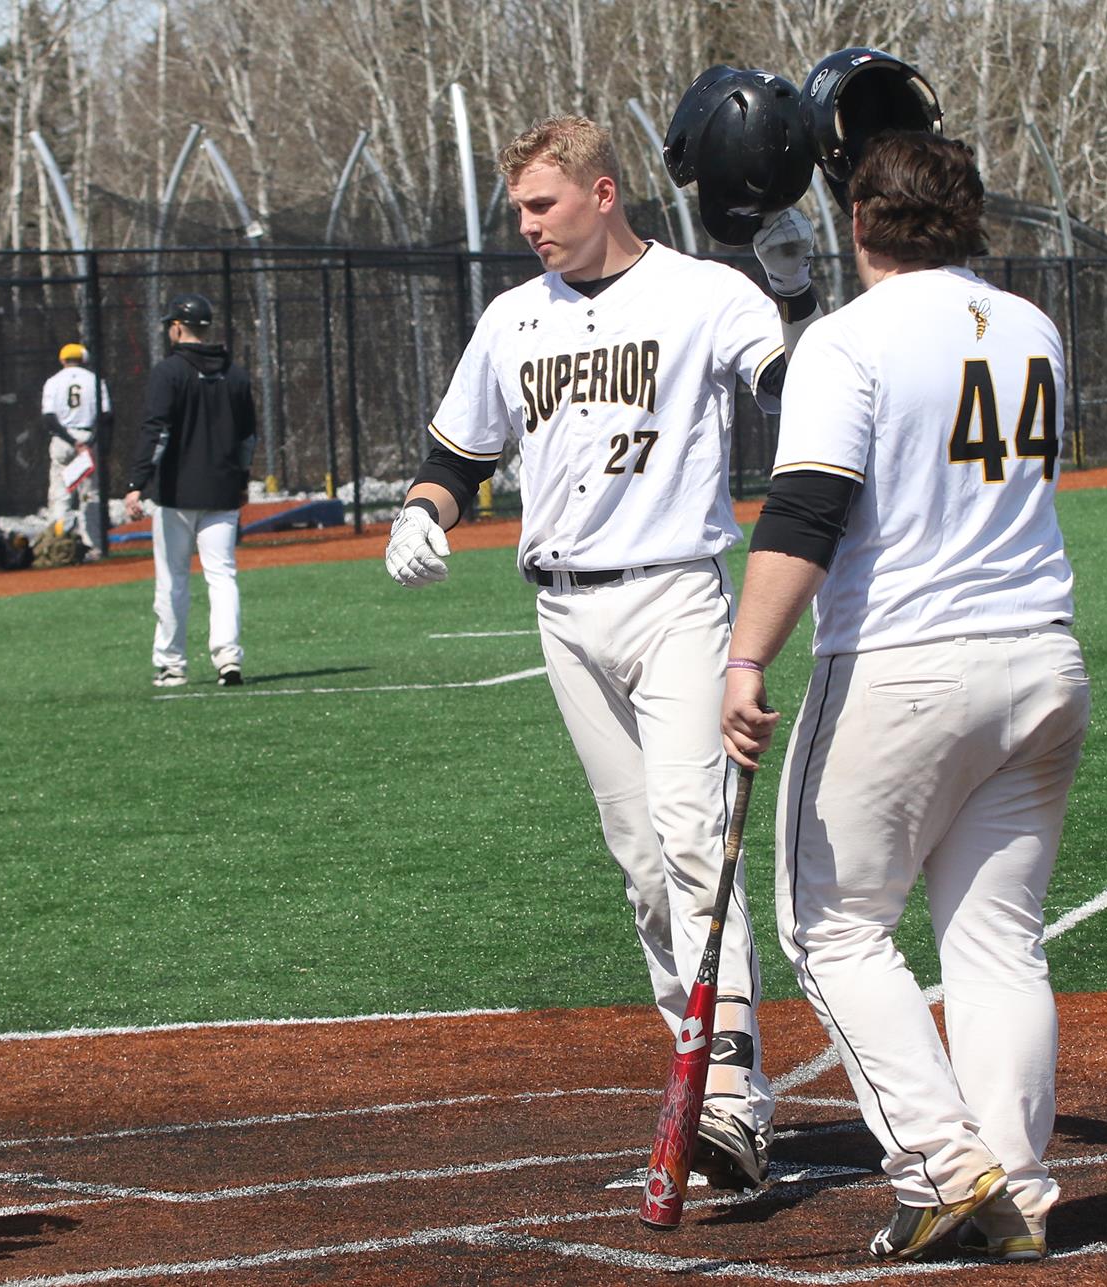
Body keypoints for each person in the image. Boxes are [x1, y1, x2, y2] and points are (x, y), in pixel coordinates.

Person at [381, 115, 821, 1190]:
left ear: (604, 192)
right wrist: (421, 508)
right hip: (564, 618)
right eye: (519, 209)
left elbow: (799, 398)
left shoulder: (704, 295)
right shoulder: (511, 318)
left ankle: (729, 1094)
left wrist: (800, 300)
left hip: (674, 596)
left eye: (543, 204)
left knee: (687, 839)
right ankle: (696, 1067)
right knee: (638, 867)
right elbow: (459, 451)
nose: (527, 225)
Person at [719, 131, 1090, 1262]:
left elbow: (804, 513)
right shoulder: (1030, 325)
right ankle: (1015, 1190)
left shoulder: (847, 339)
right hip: (1041, 654)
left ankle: (936, 1162)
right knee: (995, 945)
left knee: (830, 925)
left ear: (858, 222)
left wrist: (742, 659)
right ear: (967, 219)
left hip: (905, 660)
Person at [121, 293, 254, 687]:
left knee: (173, 579)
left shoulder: (168, 372)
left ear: (177, 327)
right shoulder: (236, 374)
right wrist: (243, 479)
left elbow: (156, 430)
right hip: (223, 491)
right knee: (222, 575)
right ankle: (228, 659)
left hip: (177, 494)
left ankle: (172, 664)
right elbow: (249, 437)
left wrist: (136, 483)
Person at [41, 342, 110, 558]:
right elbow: (106, 416)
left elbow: (49, 418)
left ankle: (58, 545)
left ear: (63, 360)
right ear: (84, 359)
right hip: (88, 437)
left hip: (64, 440)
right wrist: (89, 443)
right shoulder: (94, 380)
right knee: (89, 494)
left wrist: (71, 441)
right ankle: (94, 546)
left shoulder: (53, 381)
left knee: (60, 494)